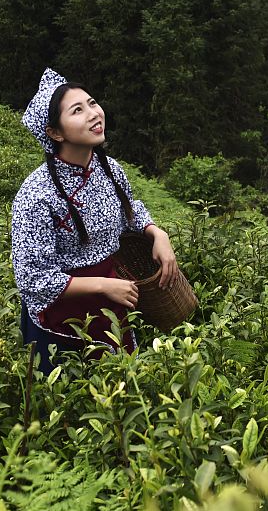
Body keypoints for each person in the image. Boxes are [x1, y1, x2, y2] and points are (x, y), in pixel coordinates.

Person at [12, 69, 179, 362]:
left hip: (113, 300)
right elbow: (32, 277)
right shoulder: (36, 193)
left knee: (119, 382)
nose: (93, 114)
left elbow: (129, 211)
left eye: (92, 103)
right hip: (64, 316)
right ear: (54, 132)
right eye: (77, 110)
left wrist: (156, 232)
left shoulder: (109, 168)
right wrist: (102, 285)